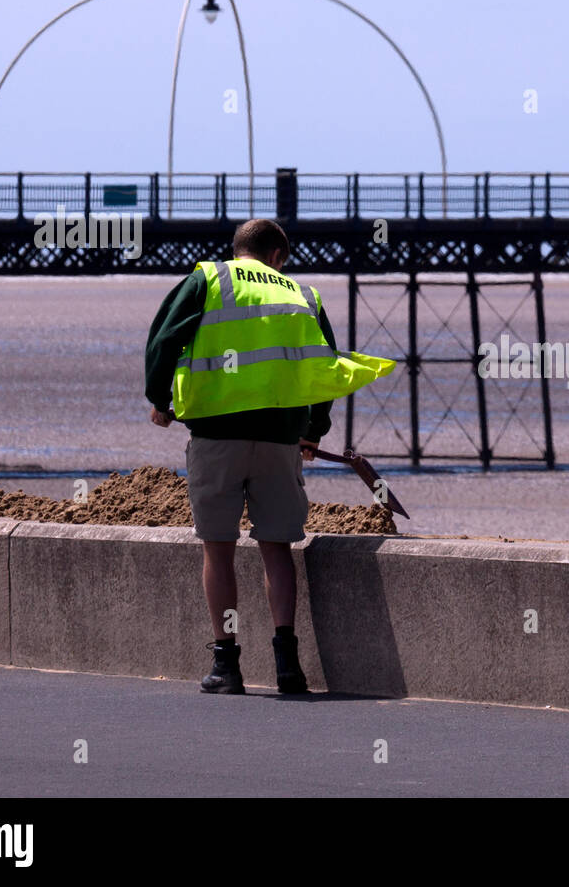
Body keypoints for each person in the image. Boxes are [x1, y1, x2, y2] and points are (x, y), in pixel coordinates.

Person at [144, 219, 393, 695]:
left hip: (217, 435)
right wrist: (313, 432)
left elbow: (163, 339)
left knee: (218, 548)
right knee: (276, 547)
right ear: (279, 255)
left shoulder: (209, 279)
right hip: (281, 439)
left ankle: (226, 666)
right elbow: (323, 367)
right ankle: (287, 665)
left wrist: (159, 399)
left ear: (237, 249)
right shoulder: (303, 295)